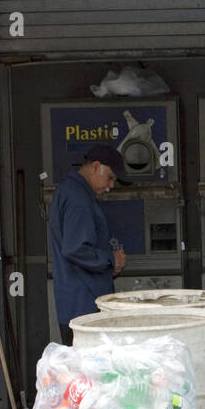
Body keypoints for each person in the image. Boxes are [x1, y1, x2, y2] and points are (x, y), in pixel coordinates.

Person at [50, 143, 128, 343]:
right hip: (84, 306)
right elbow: (75, 248)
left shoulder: (70, 191)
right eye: (110, 177)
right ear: (95, 166)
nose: (110, 186)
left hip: (76, 302)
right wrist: (111, 259)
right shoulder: (78, 198)